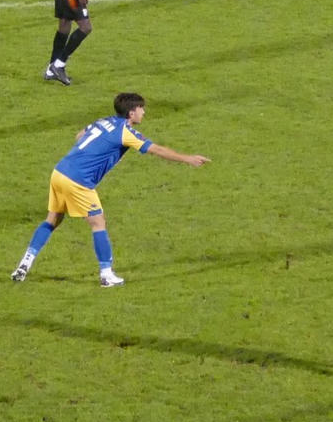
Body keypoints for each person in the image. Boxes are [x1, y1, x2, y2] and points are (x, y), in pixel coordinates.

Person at [11, 92, 209, 287]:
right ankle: (106, 274)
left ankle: (24, 263)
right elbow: (155, 149)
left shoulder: (104, 121)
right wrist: (187, 159)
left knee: (52, 219)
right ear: (131, 113)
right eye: (141, 108)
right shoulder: (125, 132)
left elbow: (79, 135)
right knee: (98, 222)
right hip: (78, 181)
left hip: (60, 171)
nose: (144, 112)